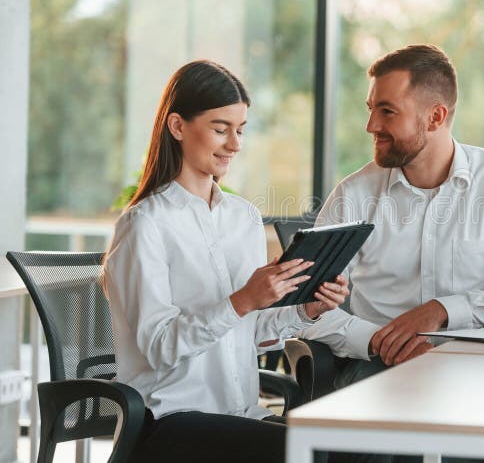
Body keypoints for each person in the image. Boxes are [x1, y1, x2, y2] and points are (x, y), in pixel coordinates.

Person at [103, 60, 349, 463]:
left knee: (343, 447)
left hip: (240, 413)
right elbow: (160, 347)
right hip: (170, 421)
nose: (234, 143)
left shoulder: (244, 218)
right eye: (220, 129)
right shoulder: (144, 225)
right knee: (300, 452)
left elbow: (248, 333)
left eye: (240, 130)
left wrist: (306, 309)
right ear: (178, 126)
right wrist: (244, 300)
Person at [298, 44, 484, 388]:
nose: (371, 125)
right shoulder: (354, 194)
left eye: (387, 111)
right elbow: (301, 309)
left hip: (474, 366)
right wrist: (379, 340)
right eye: (371, 109)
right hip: (380, 367)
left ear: (436, 117)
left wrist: (442, 309)